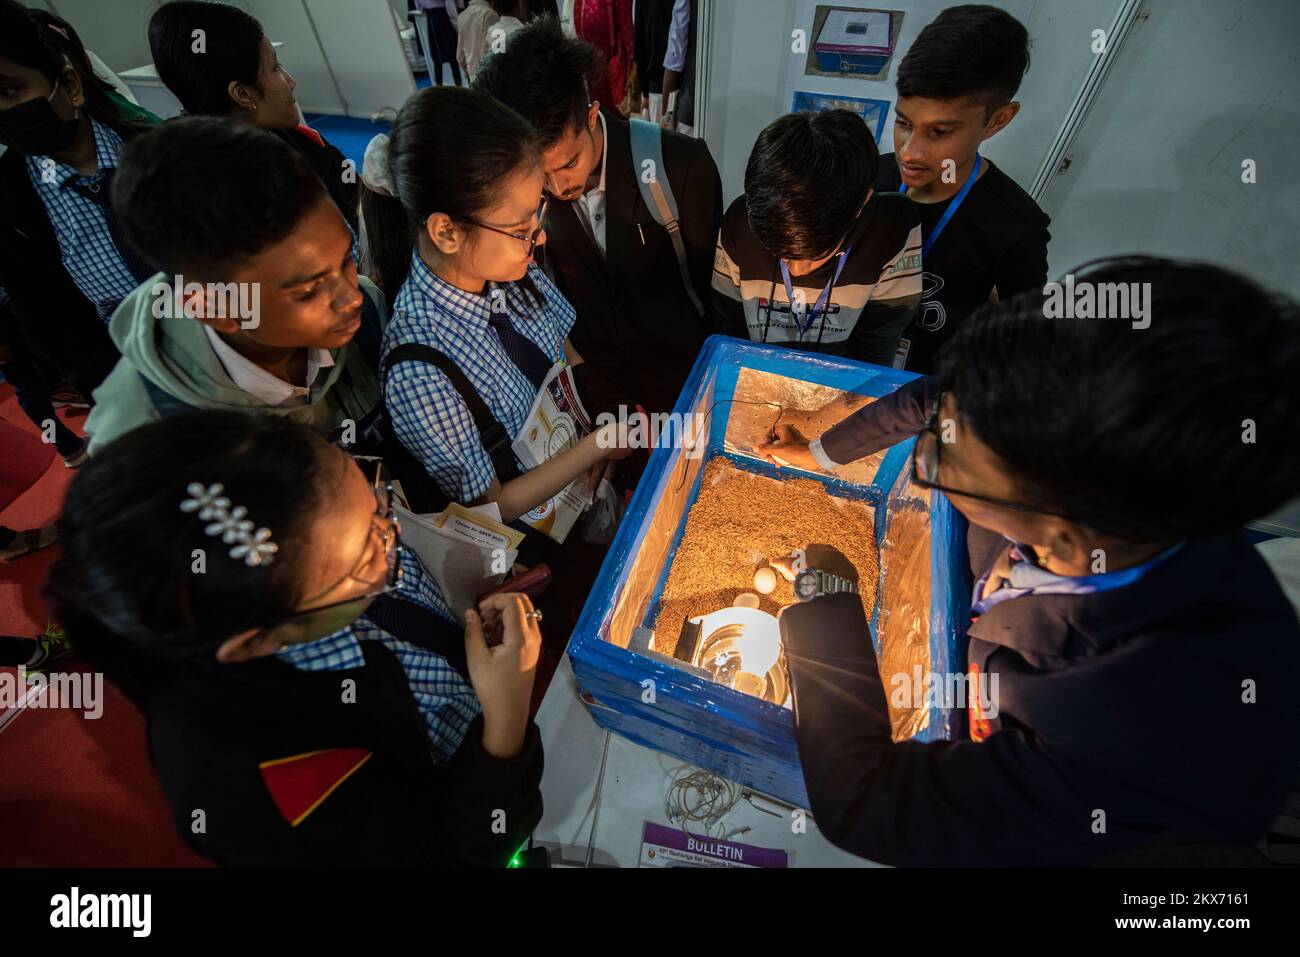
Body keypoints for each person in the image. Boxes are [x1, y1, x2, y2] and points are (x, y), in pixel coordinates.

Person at [761, 256, 1300, 865]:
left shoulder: (1136, 732)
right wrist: (823, 455)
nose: (928, 454)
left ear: (1062, 541)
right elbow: (941, 399)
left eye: (940, 464)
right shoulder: (1054, 426)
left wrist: (830, 590)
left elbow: (866, 801)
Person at [46, 412, 544, 866]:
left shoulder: (311, 548)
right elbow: (447, 856)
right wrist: (506, 723)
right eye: (367, 556)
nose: (391, 531)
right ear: (252, 641)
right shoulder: (264, 787)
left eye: (374, 500)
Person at [83, 117, 384, 454]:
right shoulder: (145, 448)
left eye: (344, 259)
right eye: (307, 292)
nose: (350, 297)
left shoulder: (370, 313)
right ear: (214, 307)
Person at [475, 15, 722, 414]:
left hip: (684, 384)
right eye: (540, 173)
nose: (557, 187)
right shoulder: (519, 199)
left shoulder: (680, 167)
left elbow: (714, 297)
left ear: (591, 115)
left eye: (568, 162)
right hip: (602, 395)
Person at [879, 4, 1051, 373]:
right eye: (904, 123)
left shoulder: (1014, 225)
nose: (910, 152)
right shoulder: (866, 179)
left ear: (998, 120)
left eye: (939, 132)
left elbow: (1021, 338)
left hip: (929, 388)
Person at [0, 0, 160, 350]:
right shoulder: (12, 201)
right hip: (137, 368)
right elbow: (49, 320)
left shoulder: (164, 153)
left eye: (8, 91)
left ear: (70, 85)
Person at [712, 109, 922, 366]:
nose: (798, 270)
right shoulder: (741, 222)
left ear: (861, 204)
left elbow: (876, 349)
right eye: (782, 255)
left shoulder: (892, 230)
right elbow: (728, 331)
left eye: (815, 255)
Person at [147, 1, 359, 234]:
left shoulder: (301, 140)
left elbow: (355, 195)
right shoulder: (220, 207)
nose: (290, 81)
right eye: (276, 67)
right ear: (243, 94)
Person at [457, 0, 523, 78]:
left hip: (473, 71)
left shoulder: (462, 16)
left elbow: (460, 55)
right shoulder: (489, 14)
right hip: (489, 75)